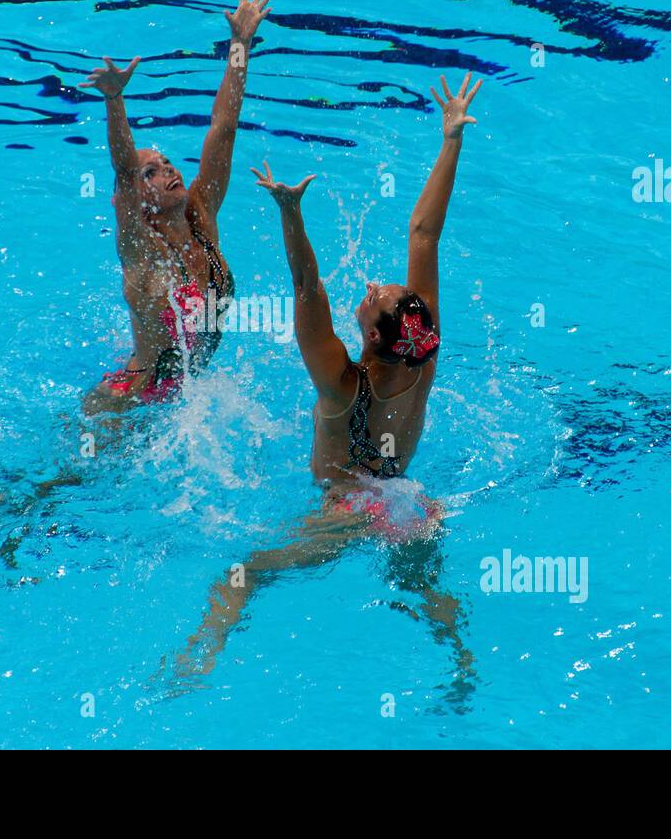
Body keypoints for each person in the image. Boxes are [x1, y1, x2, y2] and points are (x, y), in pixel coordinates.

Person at [176, 73, 483, 689]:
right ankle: (460, 660)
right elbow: (424, 234)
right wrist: (451, 139)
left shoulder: (343, 385)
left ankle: (200, 658)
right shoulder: (423, 350)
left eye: (376, 295)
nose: (372, 285)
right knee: (422, 585)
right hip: (412, 501)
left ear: (372, 334)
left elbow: (306, 290)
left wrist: (290, 215)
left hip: (351, 509)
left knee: (244, 572)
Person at [79, 0, 277, 414]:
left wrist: (241, 42)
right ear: (136, 195)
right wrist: (115, 100)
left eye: (167, 161)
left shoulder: (201, 216)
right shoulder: (140, 246)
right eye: (151, 171)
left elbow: (223, 129)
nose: (167, 168)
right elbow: (123, 168)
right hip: (133, 398)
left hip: (189, 395)